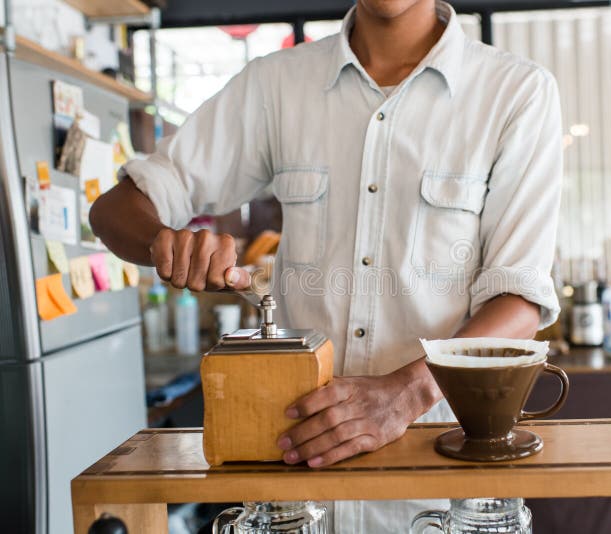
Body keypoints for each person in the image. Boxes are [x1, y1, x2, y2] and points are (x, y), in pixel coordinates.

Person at [90, 0, 563, 531]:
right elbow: (113, 210)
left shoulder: (515, 92)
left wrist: (408, 392)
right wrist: (166, 243)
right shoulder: (276, 85)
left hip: (443, 489)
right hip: (296, 489)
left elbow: (519, 300)